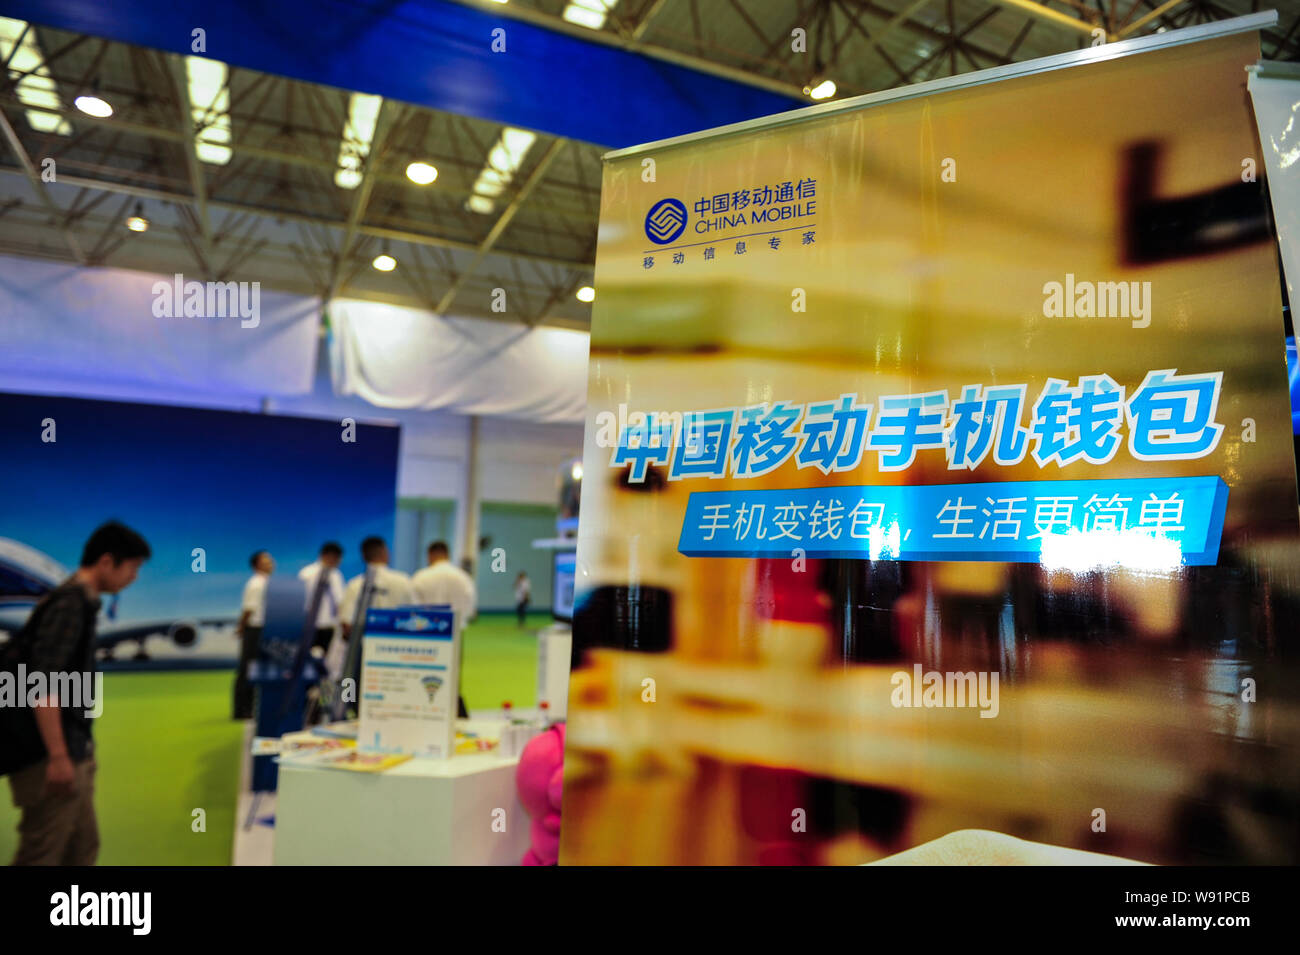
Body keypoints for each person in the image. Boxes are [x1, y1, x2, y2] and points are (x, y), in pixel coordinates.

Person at [5, 521, 150, 865]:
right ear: (106, 562)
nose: (134, 577)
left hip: (73, 750)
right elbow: (43, 684)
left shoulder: (80, 604)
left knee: (81, 848)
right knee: (42, 853)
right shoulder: (68, 606)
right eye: (133, 567)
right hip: (49, 758)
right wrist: (58, 756)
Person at [411, 541, 477, 716]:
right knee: (452, 678)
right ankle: (451, 713)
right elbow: (470, 609)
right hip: (455, 634)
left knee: (424, 677)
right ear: (447, 554)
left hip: (426, 635)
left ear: (430, 555)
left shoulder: (421, 577)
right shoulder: (463, 577)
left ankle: (427, 711)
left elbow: (413, 610)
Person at [234, 549, 273, 720]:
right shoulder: (256, 583)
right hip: (254, 630)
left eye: (271, 560)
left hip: (263, 630)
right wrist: (242, 627)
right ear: (257, 565)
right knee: (247, 670)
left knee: (258, 670)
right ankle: (241, 710)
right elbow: (249, 609)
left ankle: (251, 708)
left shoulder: (267, 582)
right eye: (266, 561)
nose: (271, 563)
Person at [298, 542, 344, 654]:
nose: (339, 562)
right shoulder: (333, 574)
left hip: (312, 625)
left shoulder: (305, 573)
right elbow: (340, 602)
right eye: (338, 559)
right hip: (322, 625)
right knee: (318, 660)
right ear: (331, 556)